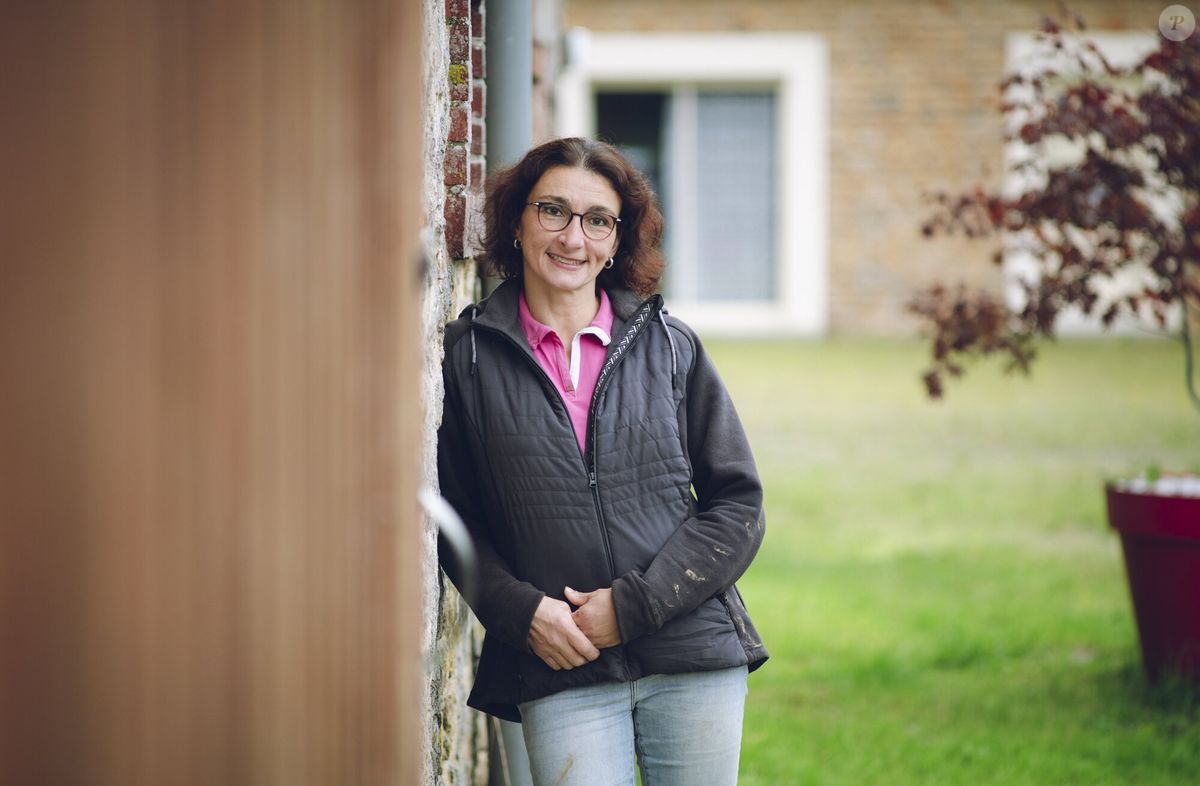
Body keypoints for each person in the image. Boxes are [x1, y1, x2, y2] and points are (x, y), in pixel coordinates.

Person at [437, 137, 767, 786]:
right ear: (518, 222)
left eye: (597, 221)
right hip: (562, 663)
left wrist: (633, 607)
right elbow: (452, 520)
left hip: (690, 651)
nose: (572, 238)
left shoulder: (670, 347)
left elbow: (737, 505)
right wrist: (520, 613)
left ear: (617, 242)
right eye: (552, 211)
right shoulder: (466, 357)